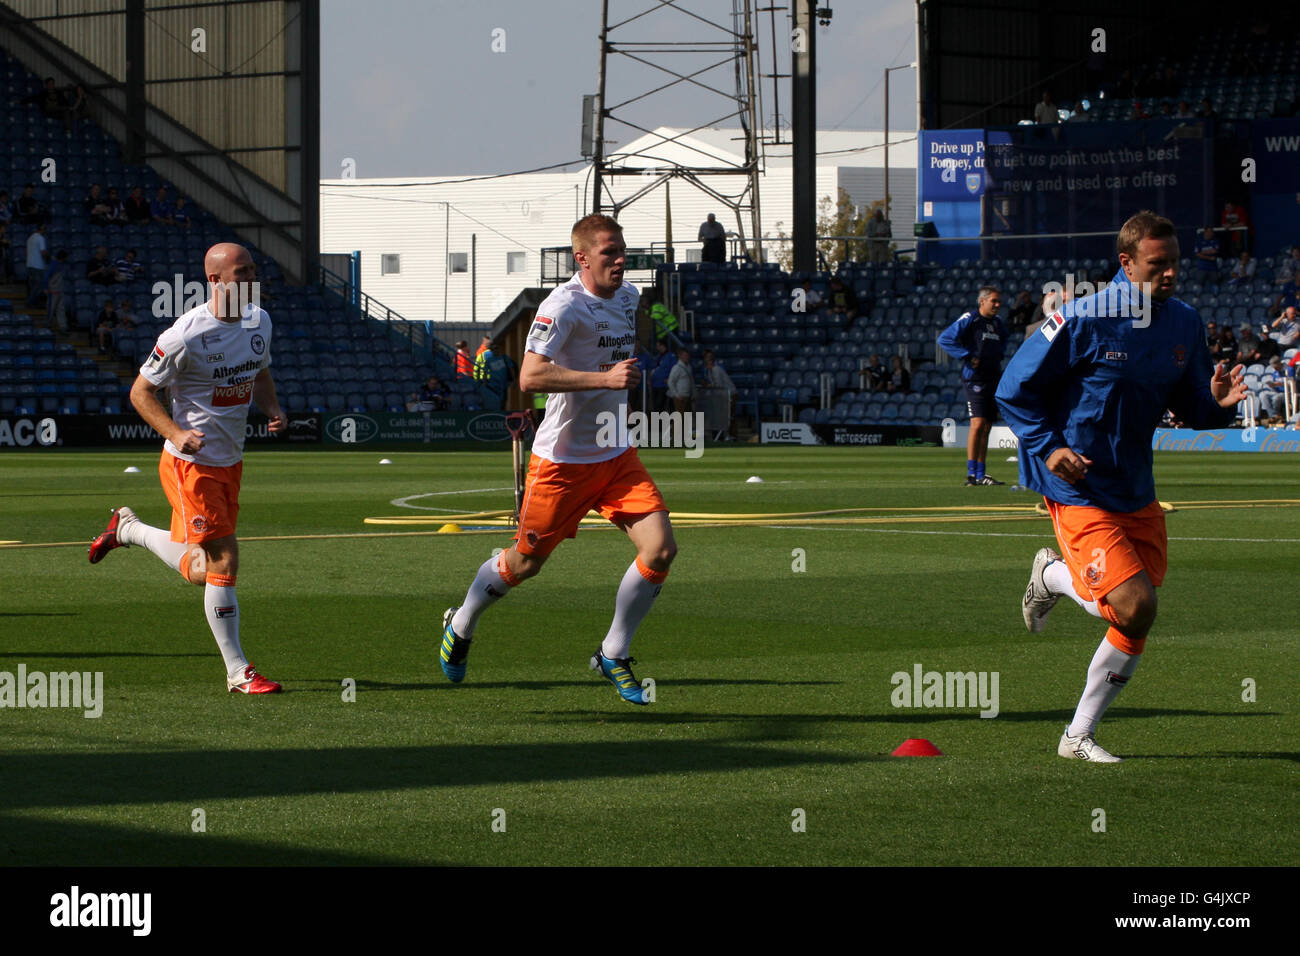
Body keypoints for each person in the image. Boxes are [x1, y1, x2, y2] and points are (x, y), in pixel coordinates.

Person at [998, 210, 1246, 762]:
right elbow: (1013, 389)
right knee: (1135, 605)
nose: (1171, 275)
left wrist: (1219, 408)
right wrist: (1049, 447)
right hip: (1076, 484)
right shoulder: (1080, 318)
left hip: (1134, 485)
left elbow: (1192, 405)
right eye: (1158, 266)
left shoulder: (1184, 322)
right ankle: (1077, 736)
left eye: (1175, 265)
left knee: (1137, 610)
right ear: (1126, 263)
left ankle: (1054, 576)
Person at [439, 214, 676, 706]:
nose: (620, 259)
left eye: (622, 250)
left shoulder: (630, 297)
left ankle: (613, 651)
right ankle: (461, 622)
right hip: (562, 462)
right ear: (582, 258)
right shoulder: (562, 305)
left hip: (615, 453)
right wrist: (604, 380)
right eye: (609, 252)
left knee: (660, 549)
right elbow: (529, 377)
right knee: (523, 565)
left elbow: (630, 340)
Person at [87, 242, 286, 695]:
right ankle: (238, 672)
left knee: (201, 567)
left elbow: (260, 371)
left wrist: (273, 408)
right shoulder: (186, 334)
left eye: (254, 269)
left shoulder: (261, 321)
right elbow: (140, 393)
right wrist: (176, 434)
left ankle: (128, 529)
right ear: (215, 280)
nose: (252, 279)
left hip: (230, 461)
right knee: (225, 560)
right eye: (242, 272)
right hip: (190, 465)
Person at [939, 286, 1009, 485]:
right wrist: (967, 356)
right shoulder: (971, 318)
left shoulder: (998, 323)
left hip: (993, 377)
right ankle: (971, 474)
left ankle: (981, 474)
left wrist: (997, 355)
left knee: (986, 426)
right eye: (994, 301)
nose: (997, 304)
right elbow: (944, 338)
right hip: (975, 379)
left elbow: (1004, 341)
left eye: (999, 301)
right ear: (982, 302)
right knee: (977, 424)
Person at [701, 349, 736, 440]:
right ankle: (723, 435)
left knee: (729, 415)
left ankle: (731, 435)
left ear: (711, 363)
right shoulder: (709, 371)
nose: (707, 365)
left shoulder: (716, 369)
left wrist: (708, 386)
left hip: (730, 394)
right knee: (723, 415)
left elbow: (718, 385)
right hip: (723, 396)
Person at [44, 249, 70, 333]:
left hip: (60, 291)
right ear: (63, 257)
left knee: (61, 309)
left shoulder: (60, 265)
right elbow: (46, 277)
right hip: (53, 292)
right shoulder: (53, 265)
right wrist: (45, 288)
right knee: (51, 309)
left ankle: (63, 326)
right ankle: (47, 324)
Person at [25, 221, 48, 306]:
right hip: (38, 265)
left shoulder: (30, 238)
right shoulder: (41, 238)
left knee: (32, 285)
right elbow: (43, 252)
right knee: (38, 285)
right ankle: (30, 302)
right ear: (42, 229)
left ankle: (33, 302)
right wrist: (49, 257)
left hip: (30, 264)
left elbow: (27, 252)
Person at [1257, 356, 1288, 420]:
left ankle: (1276, 416)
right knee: (1263, 395)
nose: (1275, 369)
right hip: (1276, 391)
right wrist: (1272, 385)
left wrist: (1279, 384)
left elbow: (1291, 383)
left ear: (1279, 363)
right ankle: (1273, 416)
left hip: (1287, 392)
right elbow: (1275, 384)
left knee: (1276, 398)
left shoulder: (1288, 370)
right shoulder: (1275, 372)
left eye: (1276, 367)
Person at [667, 346, 695, 413]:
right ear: (680, 356)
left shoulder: (689, 367)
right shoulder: (676, 368)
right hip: (680, 397)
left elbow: (692, 381)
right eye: (685, 355)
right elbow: (670, 382)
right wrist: (677, 395)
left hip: (688, 396)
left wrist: (693, 394)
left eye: (687, 355)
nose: (687, 357)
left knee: (687, 418)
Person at [650, 338, 674, 411]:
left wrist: (669, 379)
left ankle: (662, 422)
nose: (657, 348)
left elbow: (673, 370)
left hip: (663, 386)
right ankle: (656, 422)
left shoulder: (670, 356)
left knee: (661, 406)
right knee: (655, 407)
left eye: (658, 346)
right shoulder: (658, 357)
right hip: (655, 385)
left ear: (663, 346)